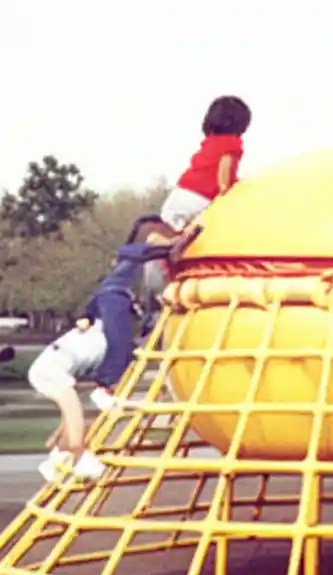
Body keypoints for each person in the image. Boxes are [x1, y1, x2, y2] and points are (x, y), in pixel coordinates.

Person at [144, 95, 252, 307]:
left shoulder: (210, 142)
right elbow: (223, 181)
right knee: (193, 237)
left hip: (180, 195)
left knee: (176, 240)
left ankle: (157, 243)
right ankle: (169, 273)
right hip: (199, 199)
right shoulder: (232, 144)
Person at [87, 218, 193, 411]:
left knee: (131, 345)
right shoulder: (130, 252)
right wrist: (182, 239)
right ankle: (106, 385)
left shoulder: (140, 264)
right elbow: (161, 248)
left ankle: (112, 386)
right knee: (118, 341)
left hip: (125, 302)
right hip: (115, 296)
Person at [28, 316, 108, 480]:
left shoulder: (97, 339)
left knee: (74, 415)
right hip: (51, 370)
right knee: (75, 413)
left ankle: (57, 458)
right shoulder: (98, 334)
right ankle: (81, 458)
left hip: (51, 369)